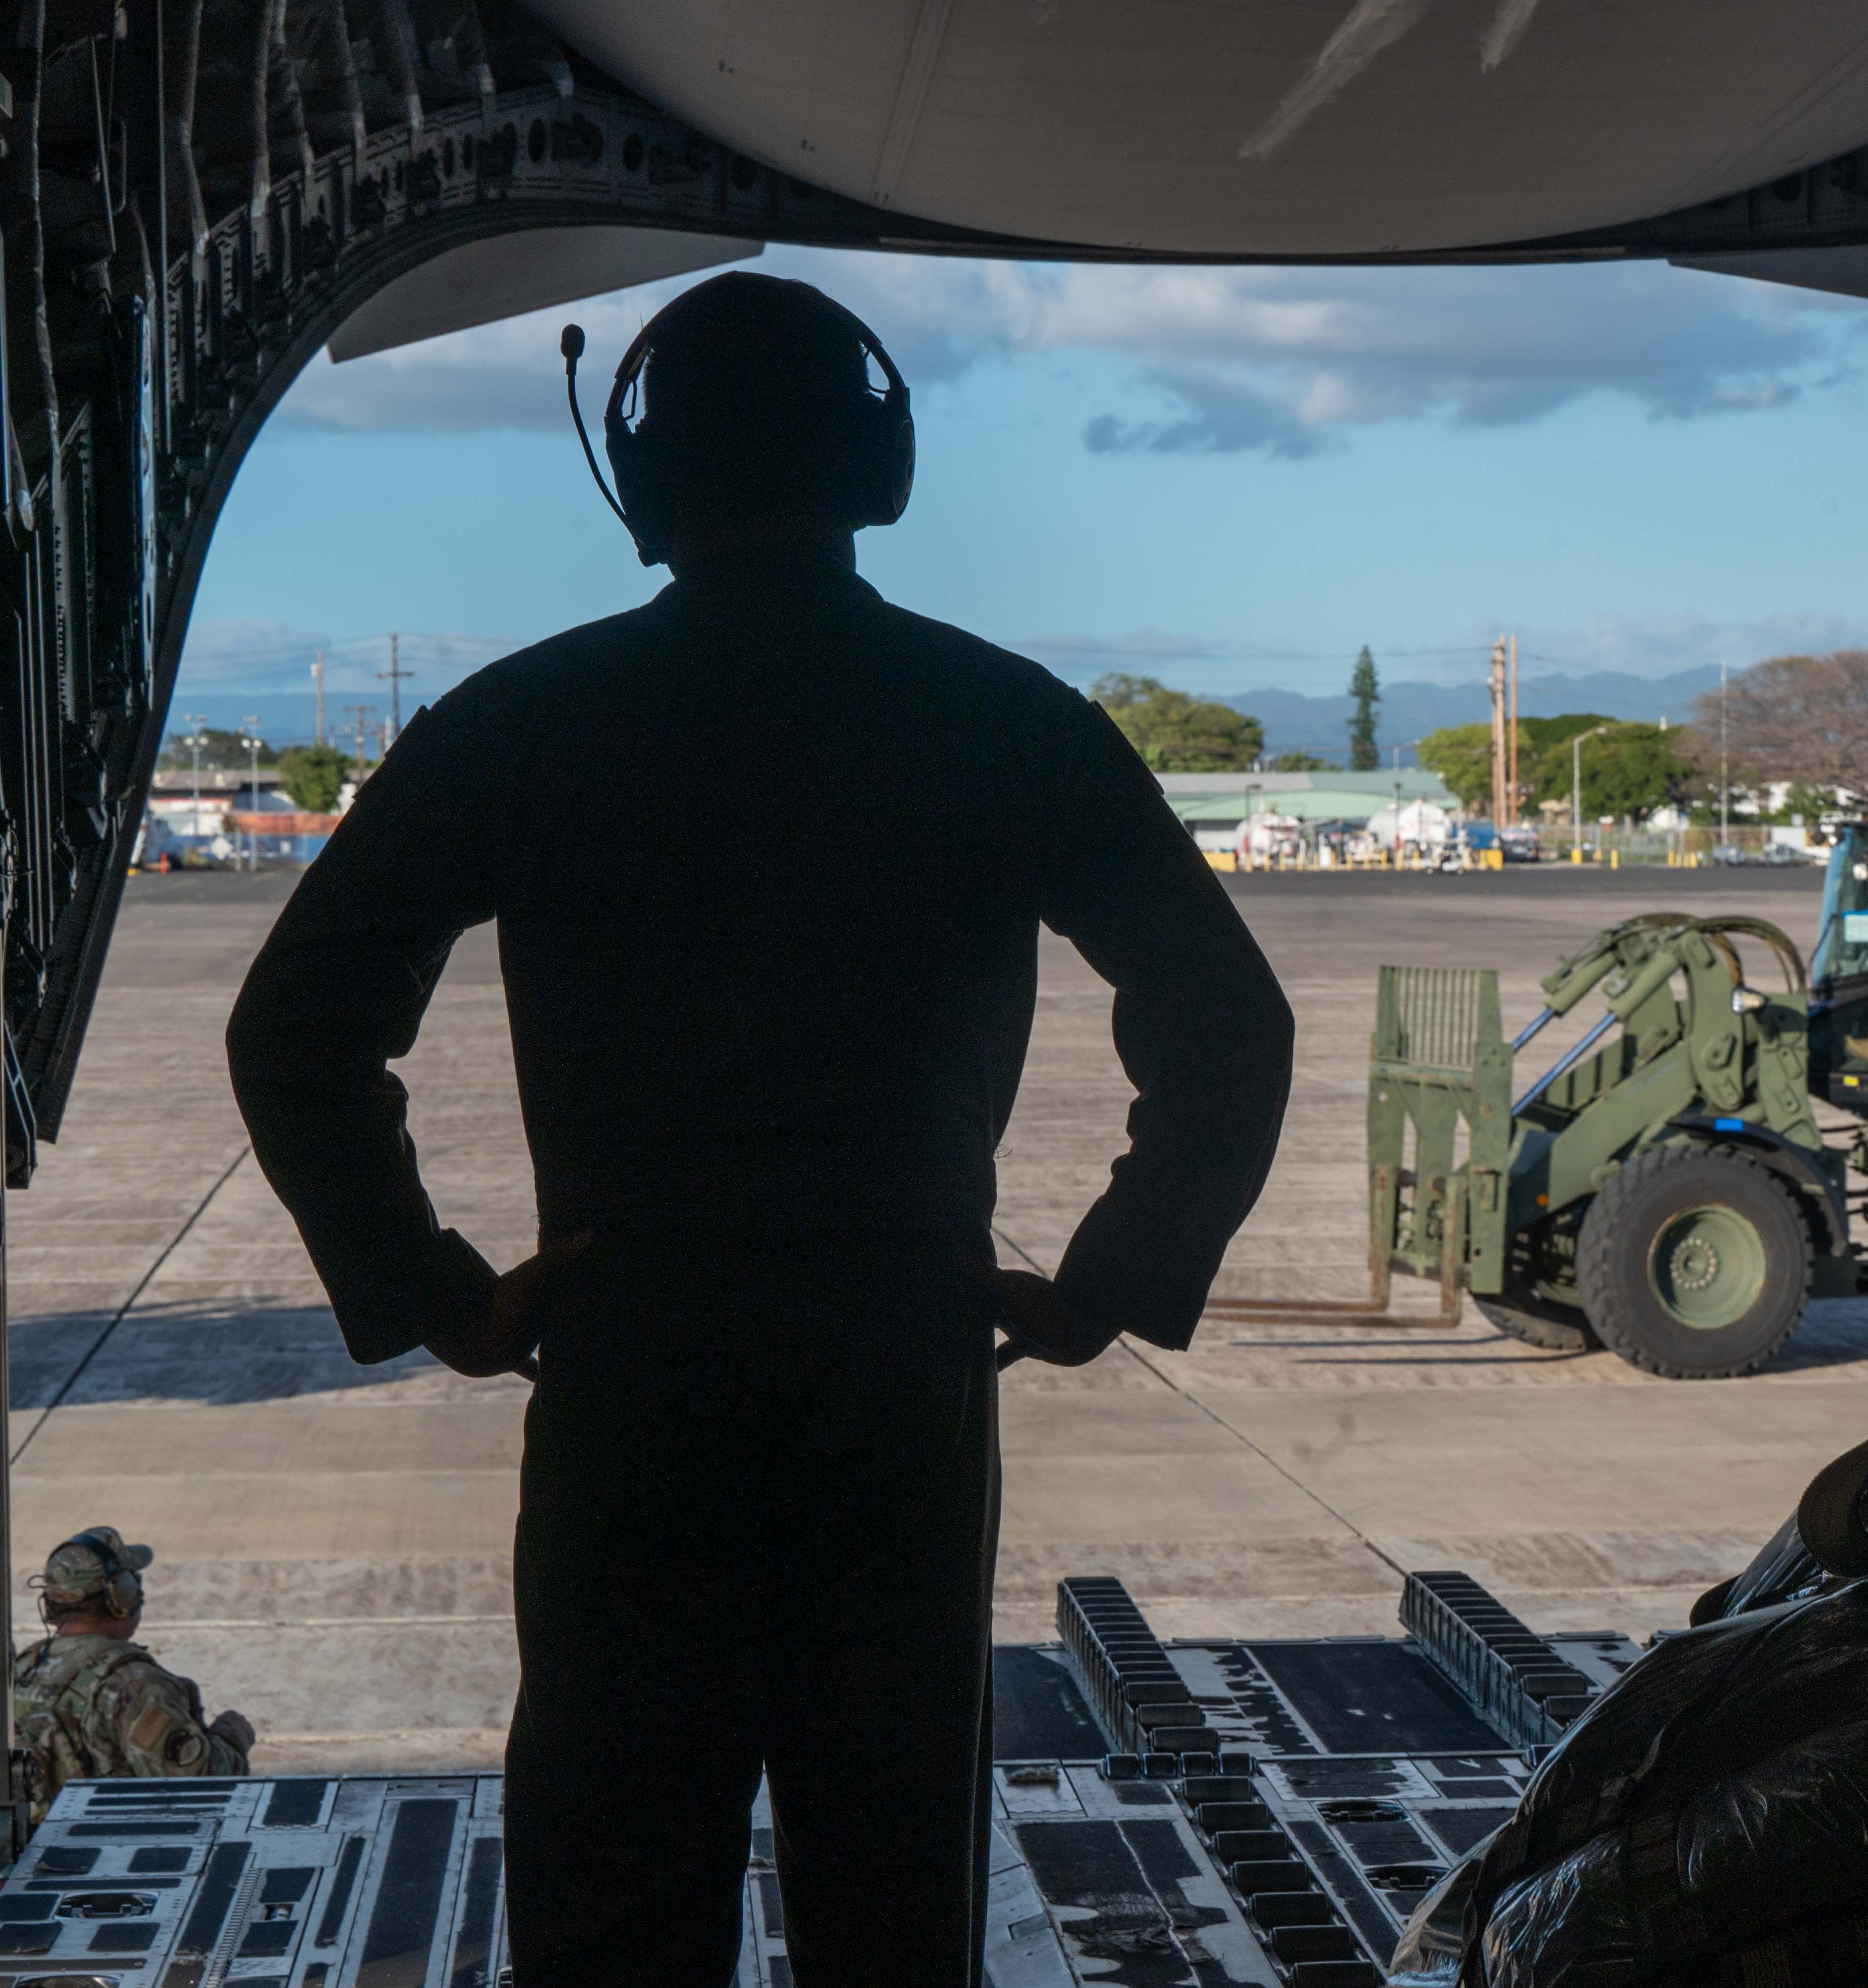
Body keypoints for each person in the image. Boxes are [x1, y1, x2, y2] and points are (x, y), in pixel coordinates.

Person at [225, 273, 1294, 1987]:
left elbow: (295, 1030)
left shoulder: (521, 718)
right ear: (880, 464)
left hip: (631, 1364)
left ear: (644, 487)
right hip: (899, 1367)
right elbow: (1230, 1025)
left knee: (612, 1903)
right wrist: (1105, 1281)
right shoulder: (1009, 718)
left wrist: (436, 1290)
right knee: (892, 1901)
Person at [14, 1527, 256, 1814]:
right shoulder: (134, 1684)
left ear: (50, 1604)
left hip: (29, 1839)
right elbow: (199, 1789)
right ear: (121, 1595)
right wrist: (231, 1735)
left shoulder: (25, 1667)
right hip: (101, 1841)